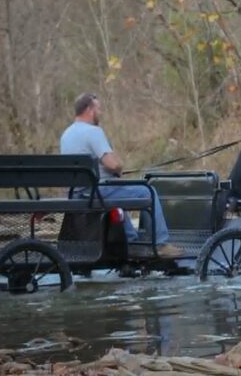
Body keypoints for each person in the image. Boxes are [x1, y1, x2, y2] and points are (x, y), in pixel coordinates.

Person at [60, 92, 178, 255]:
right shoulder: (93, 131)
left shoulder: (66, 135)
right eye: (98, 109)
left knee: (119, 194)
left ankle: (130, 241)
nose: (100, 113)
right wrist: (119, 167)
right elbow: (112, 164)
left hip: (77, 193)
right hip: (97, 191)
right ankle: (161, 244)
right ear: (89, 110)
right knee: (147, 192)